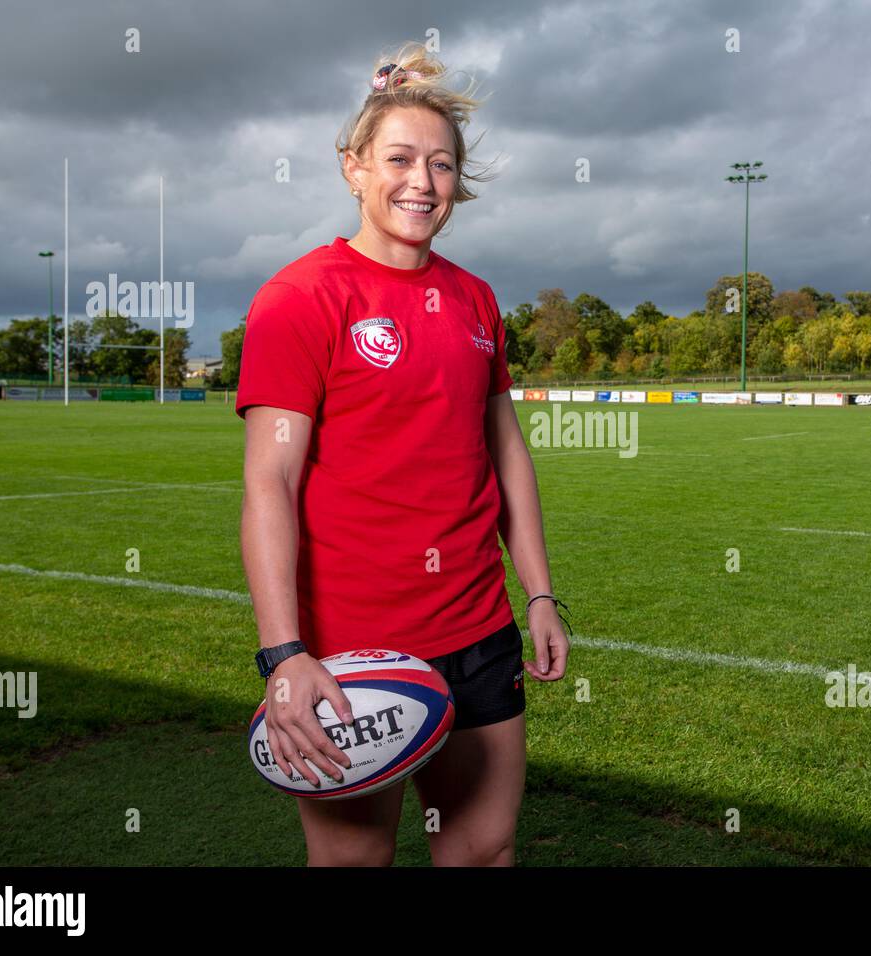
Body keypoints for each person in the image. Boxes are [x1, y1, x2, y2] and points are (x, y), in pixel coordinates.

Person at [236, 42, 570, 867]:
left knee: (484, 847)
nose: (422, 182)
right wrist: (283, 654)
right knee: (355, 860)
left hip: (478, 629)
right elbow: (269, 482)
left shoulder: (476, 299)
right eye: (398, 159)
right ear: (352, 168)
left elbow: (506, 453)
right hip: (348, 648)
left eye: (443, 165)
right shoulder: (301, 298)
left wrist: (539, 592)